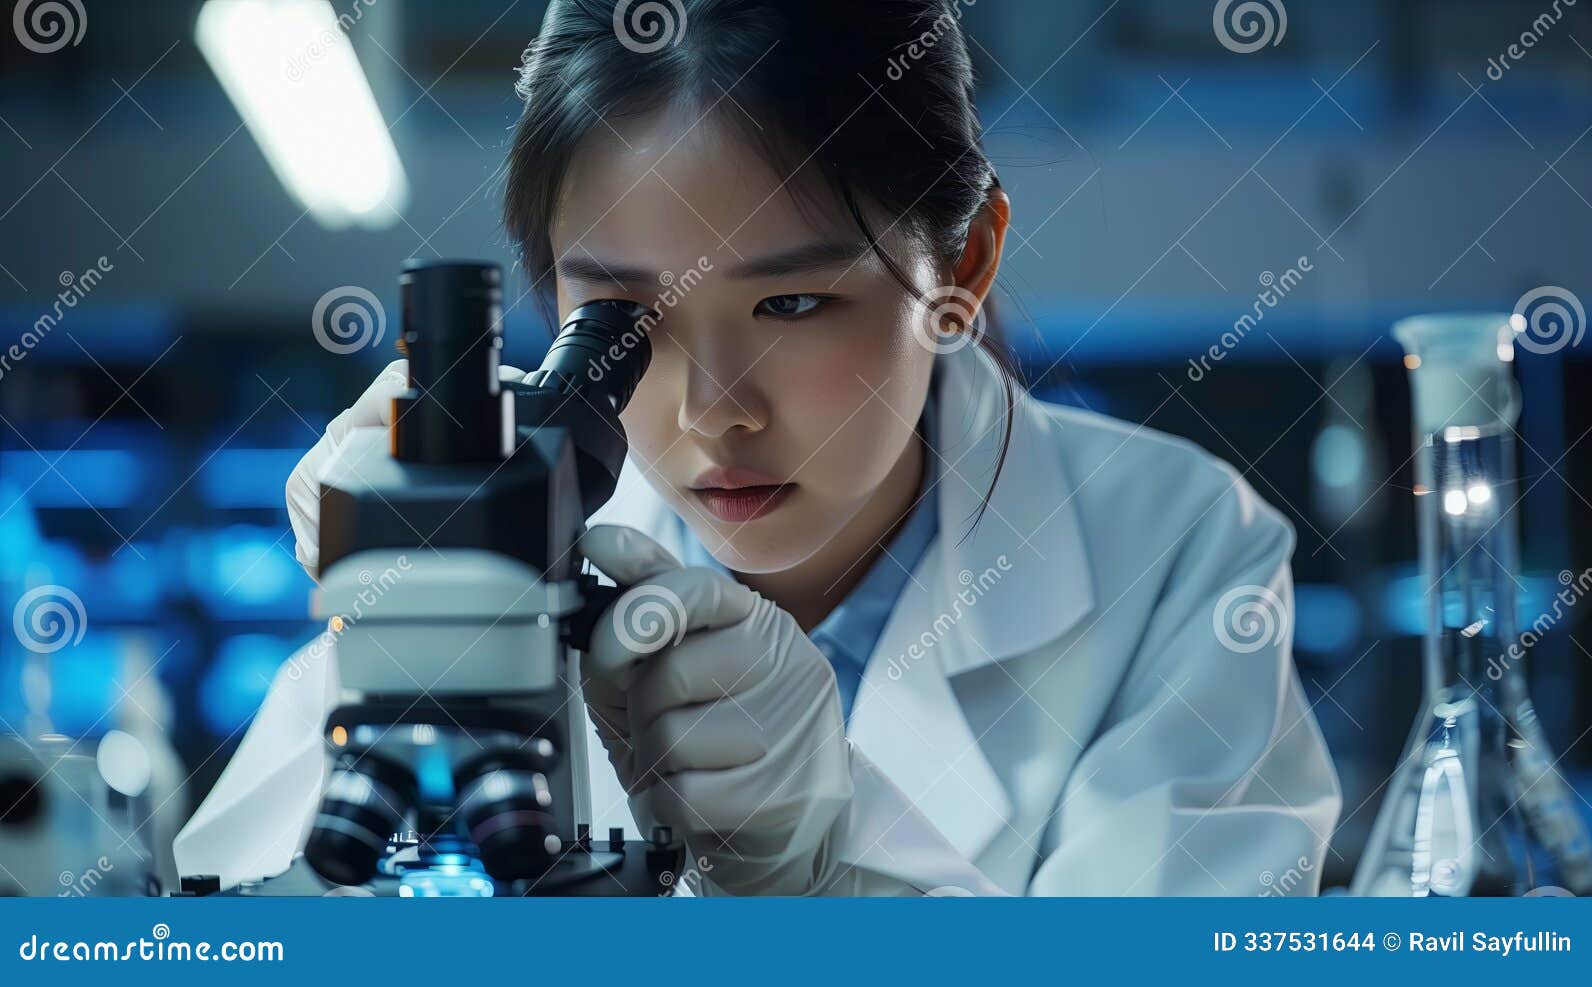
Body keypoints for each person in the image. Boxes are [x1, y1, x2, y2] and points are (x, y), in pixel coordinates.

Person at [178, 0, 1339, 896]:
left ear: (964, 264)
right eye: (622, 328)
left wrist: (823, 881)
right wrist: (389, 591)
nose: (712, 412)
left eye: (792, 305)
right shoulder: (492, 554)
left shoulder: (1173, 551)